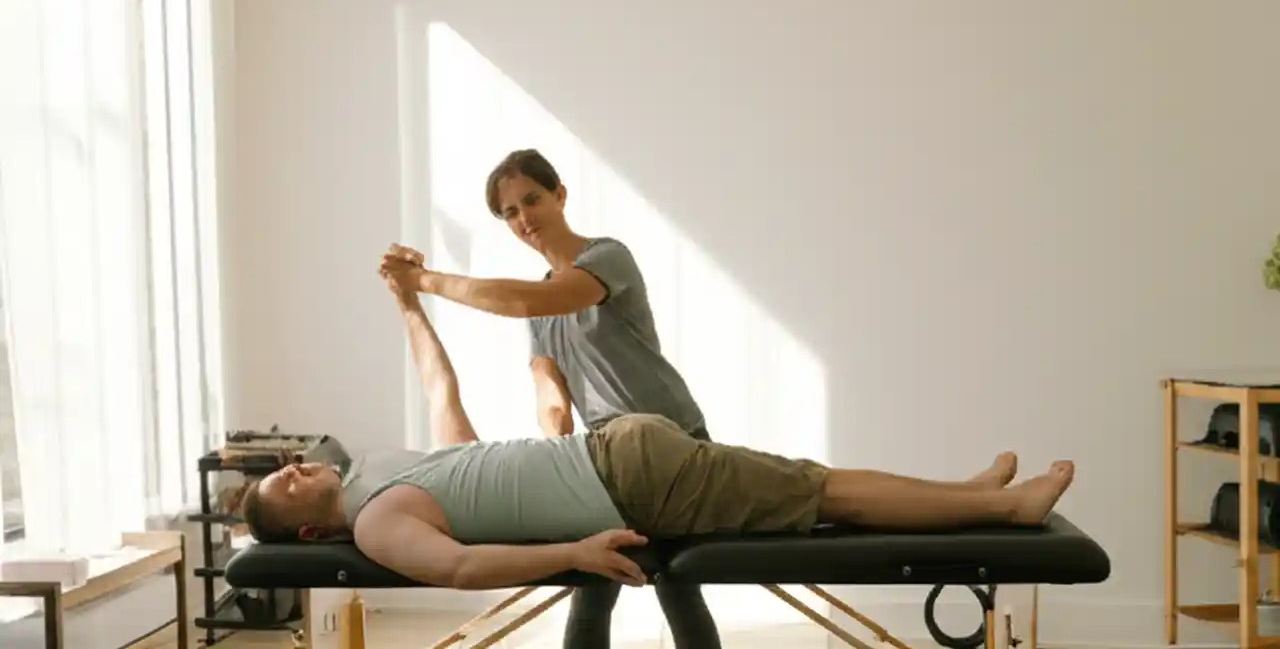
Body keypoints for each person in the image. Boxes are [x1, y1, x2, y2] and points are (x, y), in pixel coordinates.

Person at [241, 269, 1076, 605]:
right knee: (825, 493)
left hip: (619, 452)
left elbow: (441, 391)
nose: (298, 467)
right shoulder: (381, 522)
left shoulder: (390, 470)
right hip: (631, 482)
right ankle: (999, 507)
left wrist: (409, 307)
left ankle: (983, 498)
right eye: (285, 485)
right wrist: (570, 553)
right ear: (311, 531)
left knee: (822, 485)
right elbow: (463, 569)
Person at [380, 148, 719, 646]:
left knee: (678, 585)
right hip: (607, 460)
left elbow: (528, 300)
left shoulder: (606, 257)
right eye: (510, 213)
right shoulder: (539, 308)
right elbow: (552, 397)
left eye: (531, 200)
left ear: (560, 195)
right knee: (591, 580)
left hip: (674, 444)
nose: (523, 219)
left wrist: (426, 282)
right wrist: (553, 456)